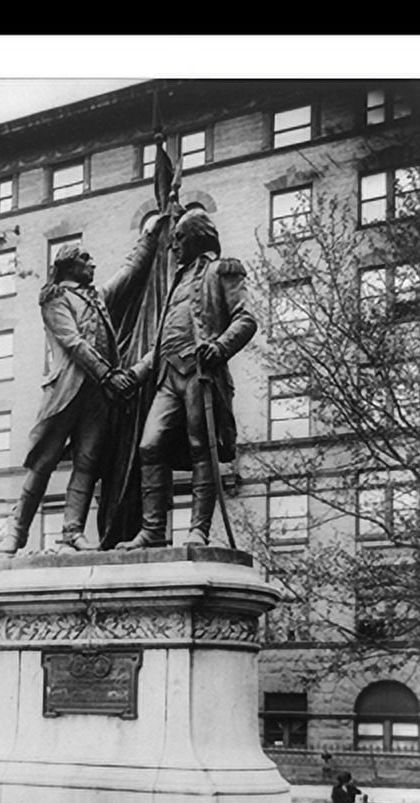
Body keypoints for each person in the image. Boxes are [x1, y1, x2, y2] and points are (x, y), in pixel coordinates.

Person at [0, 219, 167, 555]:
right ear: (69, 265)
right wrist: (108, 375)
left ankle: (71, 532)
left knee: (87, 463)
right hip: (66, 391)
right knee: (43, 463)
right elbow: (73, 342)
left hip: (97, 398)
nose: (93, 264)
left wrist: (150, 234)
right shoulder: (55, 298)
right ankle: (15, 535)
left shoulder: (97, 298)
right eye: (86, 259)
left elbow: (128, 272)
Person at [116, 208, 257, 549]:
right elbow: (161, 342)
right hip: (167, 375)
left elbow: (246, 319)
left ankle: (198, 531)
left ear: (197, 236)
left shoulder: (223, 270)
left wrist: (219, 347)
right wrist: (135, 374)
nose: (173, 246)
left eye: (179, 238)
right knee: (150, 446)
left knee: (201, 449)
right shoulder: (174, 284)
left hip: (201, 373)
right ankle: (152, 531)